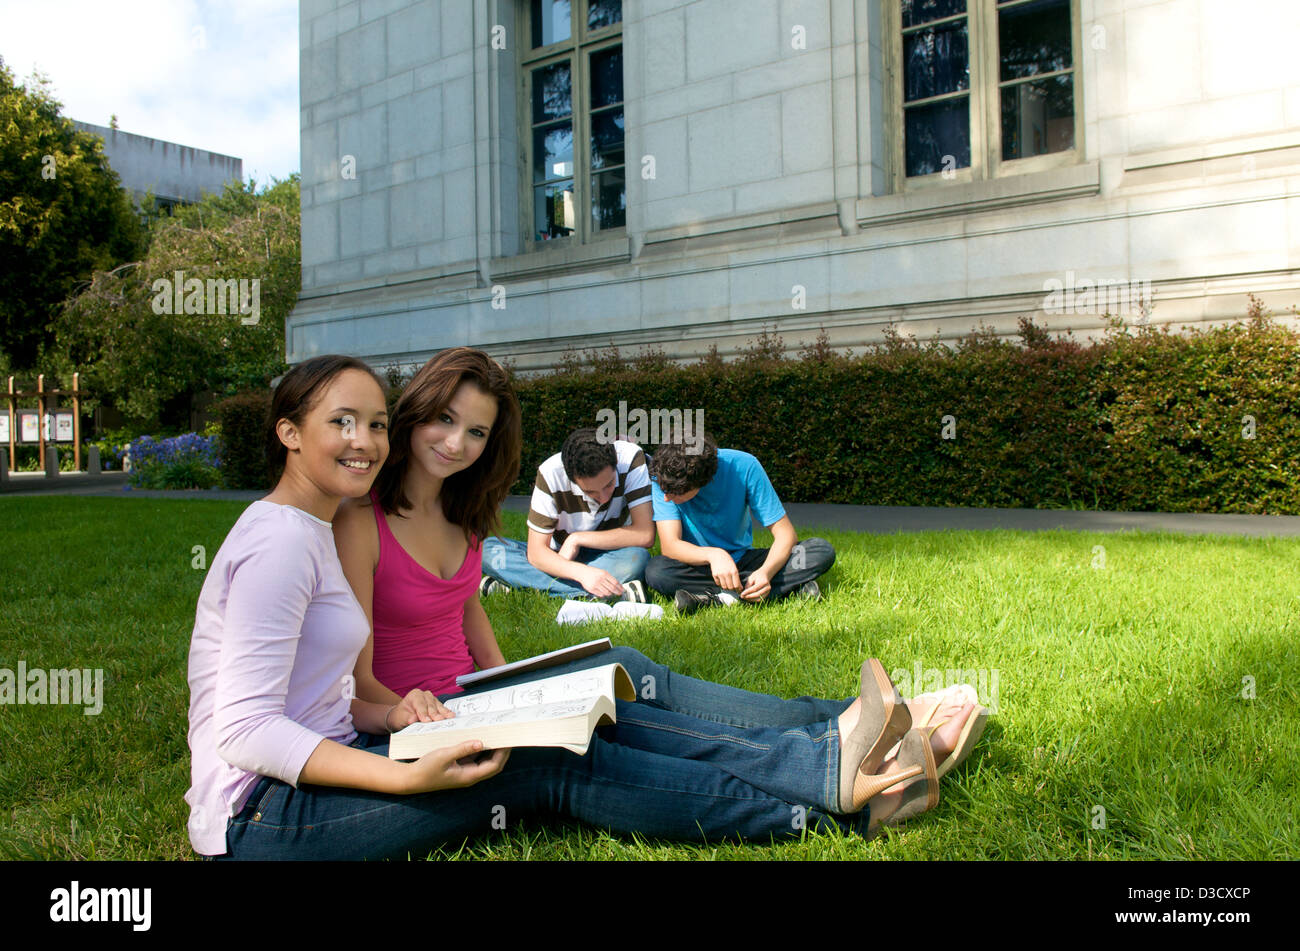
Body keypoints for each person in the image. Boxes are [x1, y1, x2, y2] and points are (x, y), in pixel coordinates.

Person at [185, 352, 980, 860]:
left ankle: (835, 744)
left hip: (364, 743)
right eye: (342, 424)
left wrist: (511, 692)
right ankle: (831, 787)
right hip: (261, 815)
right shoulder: (298, 537)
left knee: (611, 680)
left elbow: (354, 685)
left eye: (372, 423)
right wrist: (409, 766)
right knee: (553, 757)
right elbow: (256, 727)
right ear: (290, 432)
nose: (367, 440)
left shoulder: (312, 527)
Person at [645, 434, 836, 613]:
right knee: (657, 572)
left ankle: (715, 596)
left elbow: (785, 535)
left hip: (744, 560)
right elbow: (671, 546)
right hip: (696, 563)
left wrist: (766, 573)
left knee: (819, 550)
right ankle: (784, 588)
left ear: (702, 481)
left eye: (676, 492)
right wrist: (714, 555)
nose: (666, 498)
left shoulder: (745, 466)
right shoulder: (663, 476)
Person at [478, 427, 653, 602]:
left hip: (609, 554)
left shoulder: (630, 459)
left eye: (609, 484)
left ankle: (521, 585)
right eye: (591, 492)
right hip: (559, 555)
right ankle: (598, 590)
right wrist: (581, 573)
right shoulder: (550, 473)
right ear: (571, 478)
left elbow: (645, 534)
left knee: (638, 559)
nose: (604, 498)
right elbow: (537, 552)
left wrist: (577, 538)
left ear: (616, 463)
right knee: (488, 550)